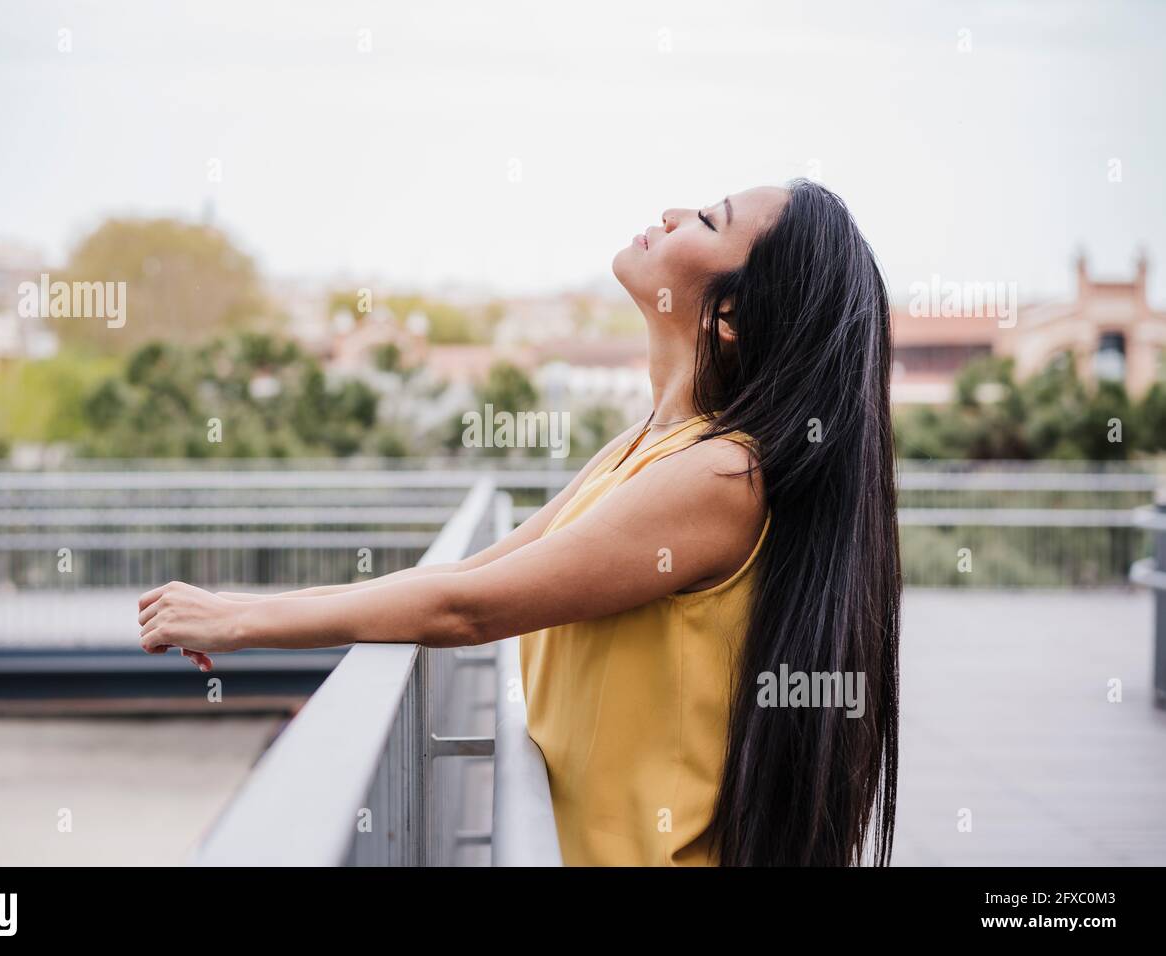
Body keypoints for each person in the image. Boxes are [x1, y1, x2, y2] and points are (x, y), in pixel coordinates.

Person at [137, 180, 901, 866]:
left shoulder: (719, 477)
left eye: (707, 218)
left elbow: (466, 611)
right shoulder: (643, 447)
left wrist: (239, 624)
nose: (670, 212)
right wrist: (236, 605)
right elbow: (467, 575)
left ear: (730, 313)